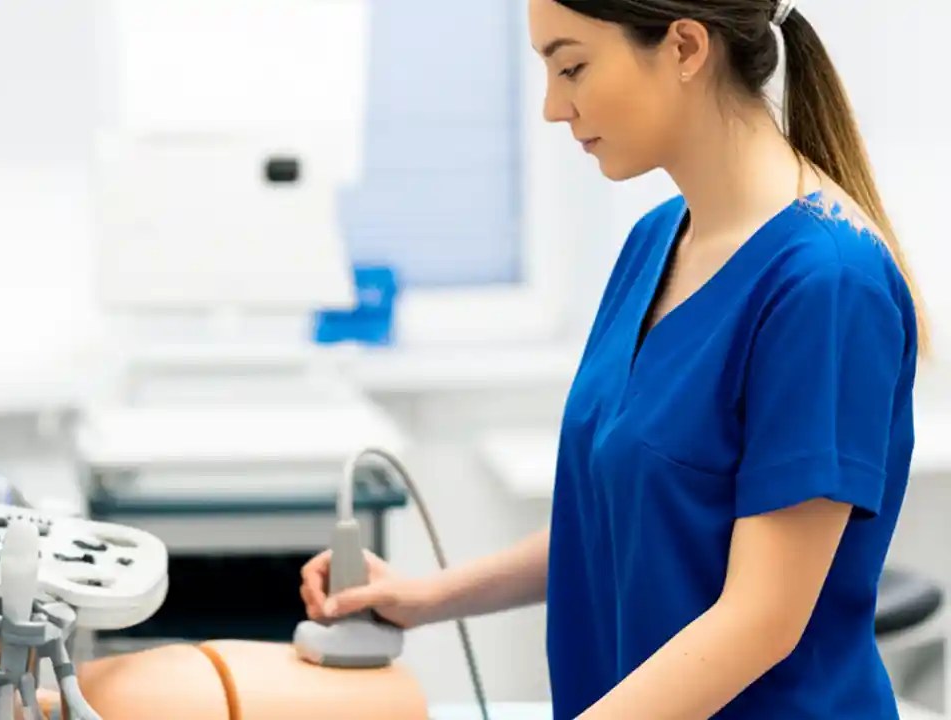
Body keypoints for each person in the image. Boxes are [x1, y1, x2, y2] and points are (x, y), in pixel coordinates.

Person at [300, 0, 926, 717]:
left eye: (572, 67)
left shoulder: (827, 284)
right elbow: (621, 514)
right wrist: (425, 596)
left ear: (685, 47)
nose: (551, 107)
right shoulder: (659, 241)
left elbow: (759, 621)